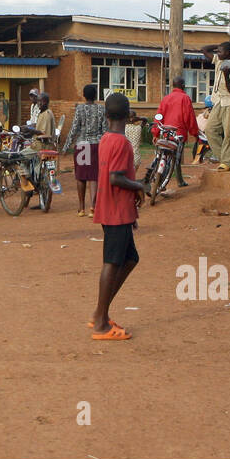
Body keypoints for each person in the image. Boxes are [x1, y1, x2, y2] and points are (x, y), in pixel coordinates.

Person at [89, 92, 145, 341]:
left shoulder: (107, 138)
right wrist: (140, 185)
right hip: (116, 211)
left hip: (114, 208)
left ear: (106, 114)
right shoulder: (121, 142)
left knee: (130, 259)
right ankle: (100, 321)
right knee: (112, 263)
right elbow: (116, 177)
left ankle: (100, 312)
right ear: (128, 114)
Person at [62, 84, 105, 218]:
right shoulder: (101, 109)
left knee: (81, 176)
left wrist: (65, 146)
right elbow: (104, 130)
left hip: (82, 145)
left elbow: (74, 128)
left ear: (84, 95)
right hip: (96, 145)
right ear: (96, 95)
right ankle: (93, 207)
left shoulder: (80, 109)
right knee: (93, 176)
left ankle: (81, 208)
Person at [153, 75, 199, 190]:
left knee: (162, 155)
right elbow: (190, 117)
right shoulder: (185, 98)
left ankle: (178, 179)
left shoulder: (166, 98)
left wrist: (155, 132)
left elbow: (159, 116)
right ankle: (169, 180)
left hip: (165, 133)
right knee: (176, 157)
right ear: (183, 85)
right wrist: (195, 133)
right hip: (178, 134)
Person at [201, 41, 230, 171]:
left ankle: (227, 162)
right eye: (217, 51)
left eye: (220, 51)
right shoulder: (218, 61)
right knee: (210, 130)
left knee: (229, 133)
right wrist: (217, 46)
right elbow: (204, 48)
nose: (217, 53)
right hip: (219, 101)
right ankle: (223, 158)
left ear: (228, 53)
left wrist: (226, 74)